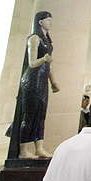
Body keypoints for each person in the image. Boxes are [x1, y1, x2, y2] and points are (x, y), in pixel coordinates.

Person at [7, 11, 60, 159]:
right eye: (48, 20)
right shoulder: (34, 39)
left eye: (51, 20)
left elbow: (48, 65)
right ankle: (23, 150)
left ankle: (39, 148)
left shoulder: (48, 42)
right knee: (29, 115)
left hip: (42, 80)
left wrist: (53, 82)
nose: (50, 23)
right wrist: (44, 59)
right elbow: (32, 63)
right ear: (40, 22)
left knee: (41, 114)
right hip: (31, 80)